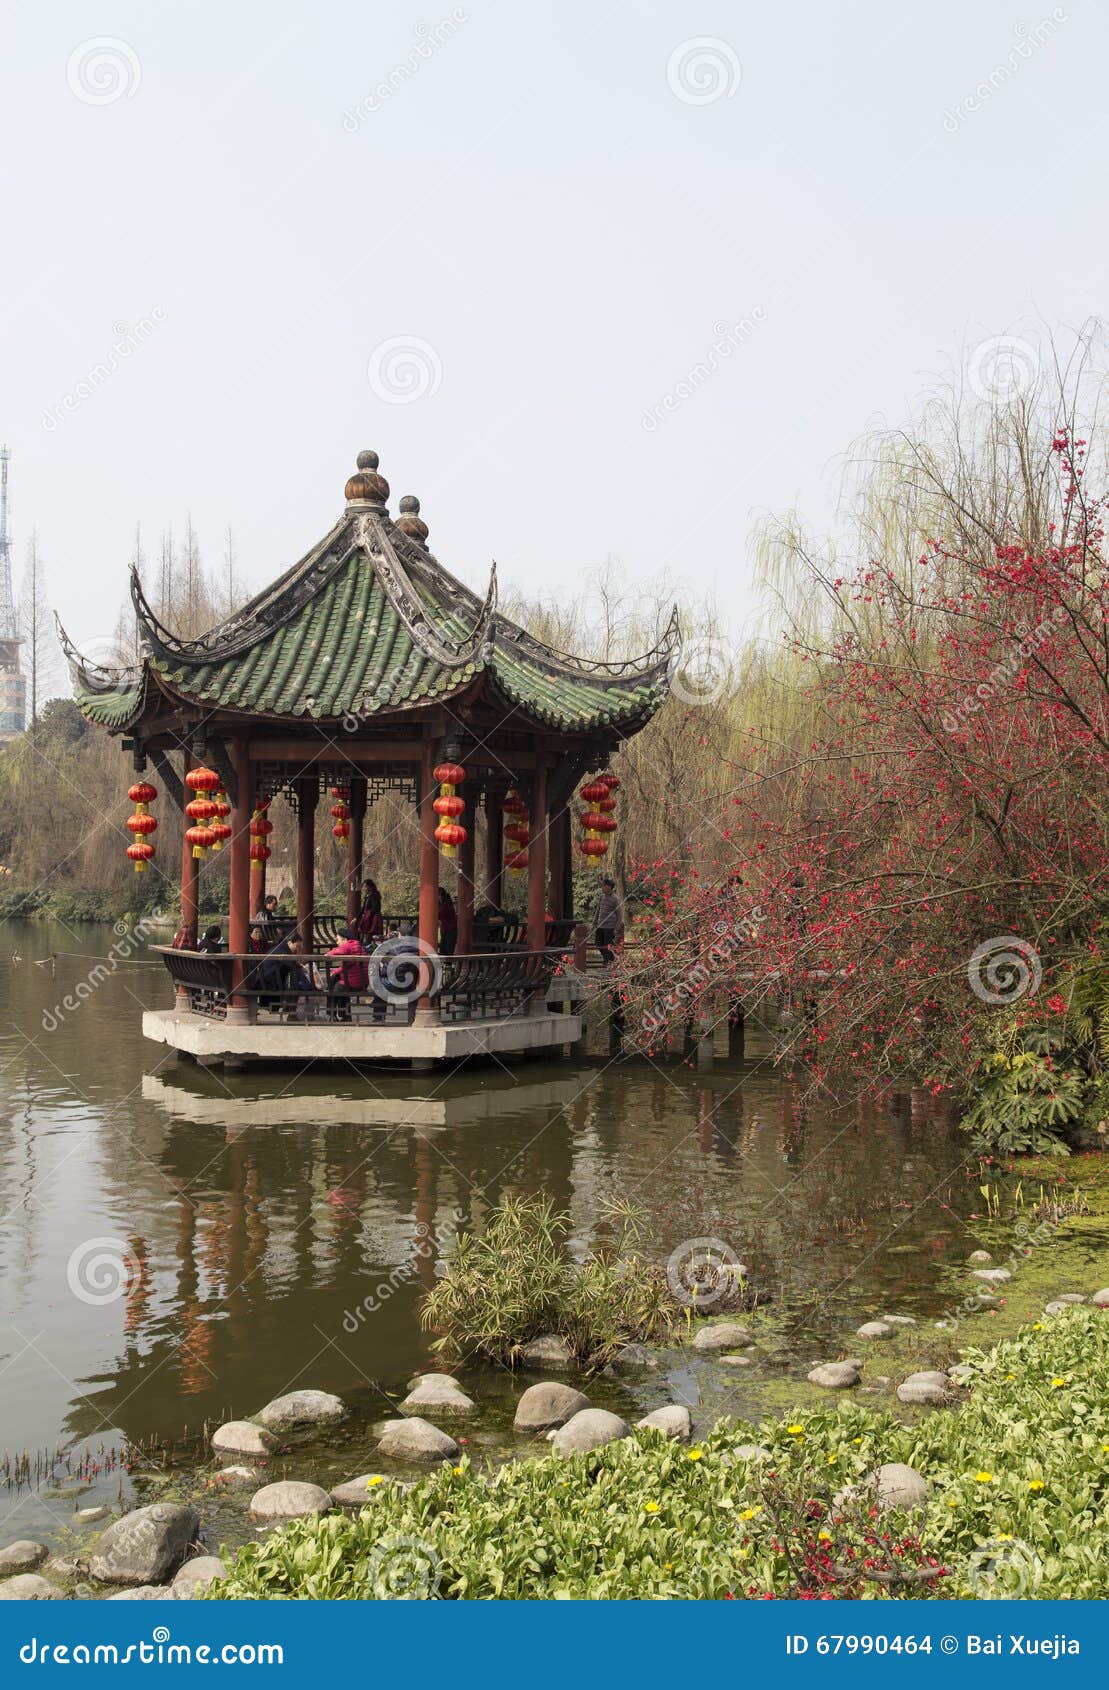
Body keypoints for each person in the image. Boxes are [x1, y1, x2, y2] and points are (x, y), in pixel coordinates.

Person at [326, 925, 367, 1021]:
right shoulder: (358, 946)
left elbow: (338, 951)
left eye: (338, 940)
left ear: (344, 939)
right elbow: (349, 965)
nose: (337, 942)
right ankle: (345, 1015)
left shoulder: (348, 945)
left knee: (333, 989)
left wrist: (327, 954)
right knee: (338, 983)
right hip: (363, 982)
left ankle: (332, 1015)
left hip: (353, 983)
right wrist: (336, 971)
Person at [593, 877, 623, 967]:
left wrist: (616, 928)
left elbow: (619, 915)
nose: (603, 888)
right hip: (600, 925)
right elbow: (598, 910)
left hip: (609, 927)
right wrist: (594, 922)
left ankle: (608, 962)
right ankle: (607, 959)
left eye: (605, 886)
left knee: (607, 946)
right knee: (598, 944)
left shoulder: (615, 899)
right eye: (603, 886)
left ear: (610, 887)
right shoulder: (602, 896)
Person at [356, 877, 383, 945]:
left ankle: (370, 949)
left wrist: (368, 914)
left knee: (372, 936)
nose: (364, 888)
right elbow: (363, 909)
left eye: (365, 886)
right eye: (363, 887)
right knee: (366, 935)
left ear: (370, 887)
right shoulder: (368, 896)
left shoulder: (374, 896)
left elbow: (376, 908)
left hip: (373, 919)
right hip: (368, 919)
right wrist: (357, 918)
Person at [438, 886, 458, 956]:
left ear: (440, 895)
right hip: (446, 930)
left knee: (448, 951)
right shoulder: (443, 904)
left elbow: (438, 915)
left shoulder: (446, 905)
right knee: (443, 950)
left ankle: (448, 966)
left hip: (450, 930)